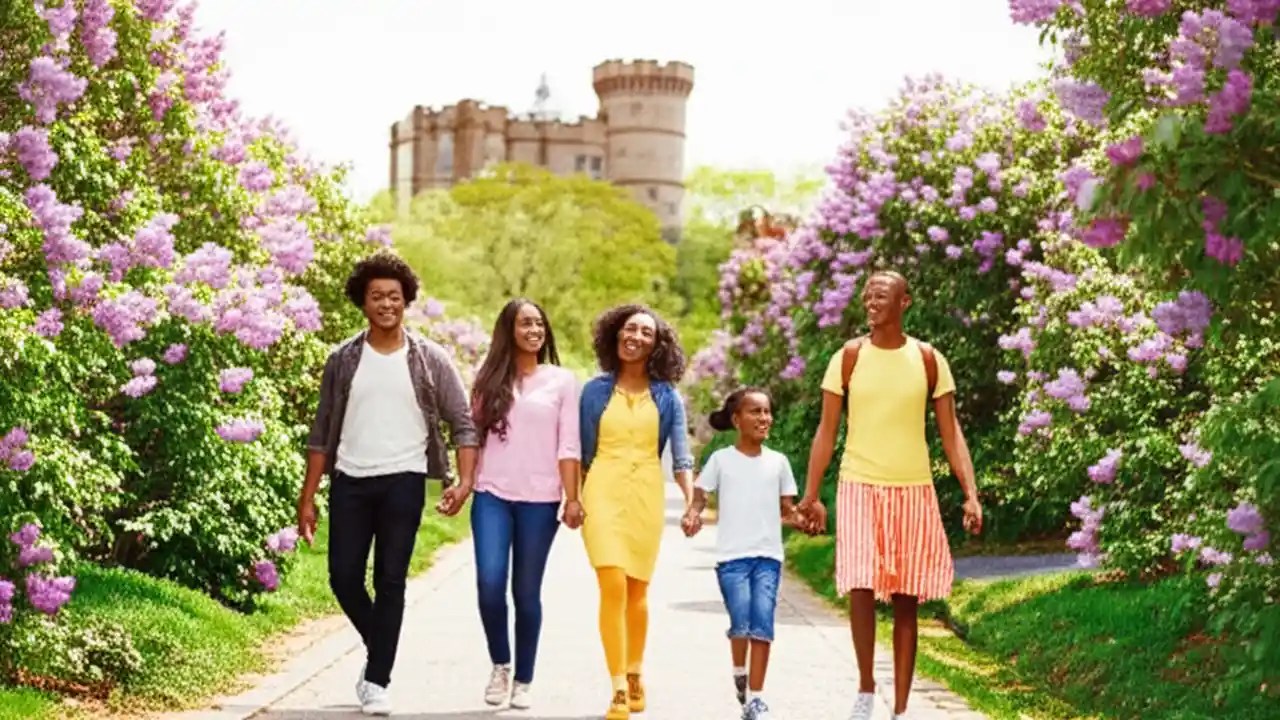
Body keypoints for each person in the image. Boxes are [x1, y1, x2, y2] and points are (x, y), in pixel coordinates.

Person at [297, 252, 479, 717]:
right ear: (362, 302)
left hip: (404, 480)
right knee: (342, 577)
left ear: (407, 301)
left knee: (390, 579)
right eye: (376, 296)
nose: (386, 304)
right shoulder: (342, 360)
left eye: (394, 297)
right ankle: (382, 647)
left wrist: (465, 481)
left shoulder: (429, 359)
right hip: (351, 479)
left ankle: (378, 679)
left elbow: (462, 422)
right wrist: (308, 498)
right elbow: (322, 433)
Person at [797, 270, 982, 720]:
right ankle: (865, 689)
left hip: (913, 488)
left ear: (905, 302)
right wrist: (812, 493)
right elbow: (827, 430)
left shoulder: (929, 359)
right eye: (868, 293)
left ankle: (900, 707)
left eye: (882, 294)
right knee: (860, 584)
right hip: (859, 483)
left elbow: (951, 432)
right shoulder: (848, 357)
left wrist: (970, 494)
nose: (871, 300)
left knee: (906, 599)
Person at [579, 304, 695, 720]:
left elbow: (681, 456)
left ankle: (635, 672)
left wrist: (691, 501)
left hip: (646, 491)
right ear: (615, 334)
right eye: (630, 329)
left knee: (637, 588)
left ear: (657, 344)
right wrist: (572, 498)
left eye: (647, 333)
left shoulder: (667, 397)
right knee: (611, 581)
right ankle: (616, 690)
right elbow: (579, 452)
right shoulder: (593, 392)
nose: (636, 337)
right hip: (602, 489)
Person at [468, 298, 582, 710]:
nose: (534, 330)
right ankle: (501, 663)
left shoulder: (562, 381)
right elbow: (473, 439)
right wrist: (465, 484)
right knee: (489, 584)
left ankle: (524, 678)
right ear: (509, 331)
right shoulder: (488, 379)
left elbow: (569, 443)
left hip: (540, 499)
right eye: (524, 323)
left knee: (526, 591)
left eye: (539, 323)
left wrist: (573, 498)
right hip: (491, 495)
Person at [681, 387, 807, 720]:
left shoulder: (778, 462)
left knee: (761, 625)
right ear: (736, 420)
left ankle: (756, 699)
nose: (764, 418)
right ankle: (740, 671)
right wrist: (693, 514)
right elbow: (700, 495)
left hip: (769, 557)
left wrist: (801, 520)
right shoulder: (721, 460)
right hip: (732, 558)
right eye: (755, 412)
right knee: (741, 624)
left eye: (767, 412)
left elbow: (787, 509)